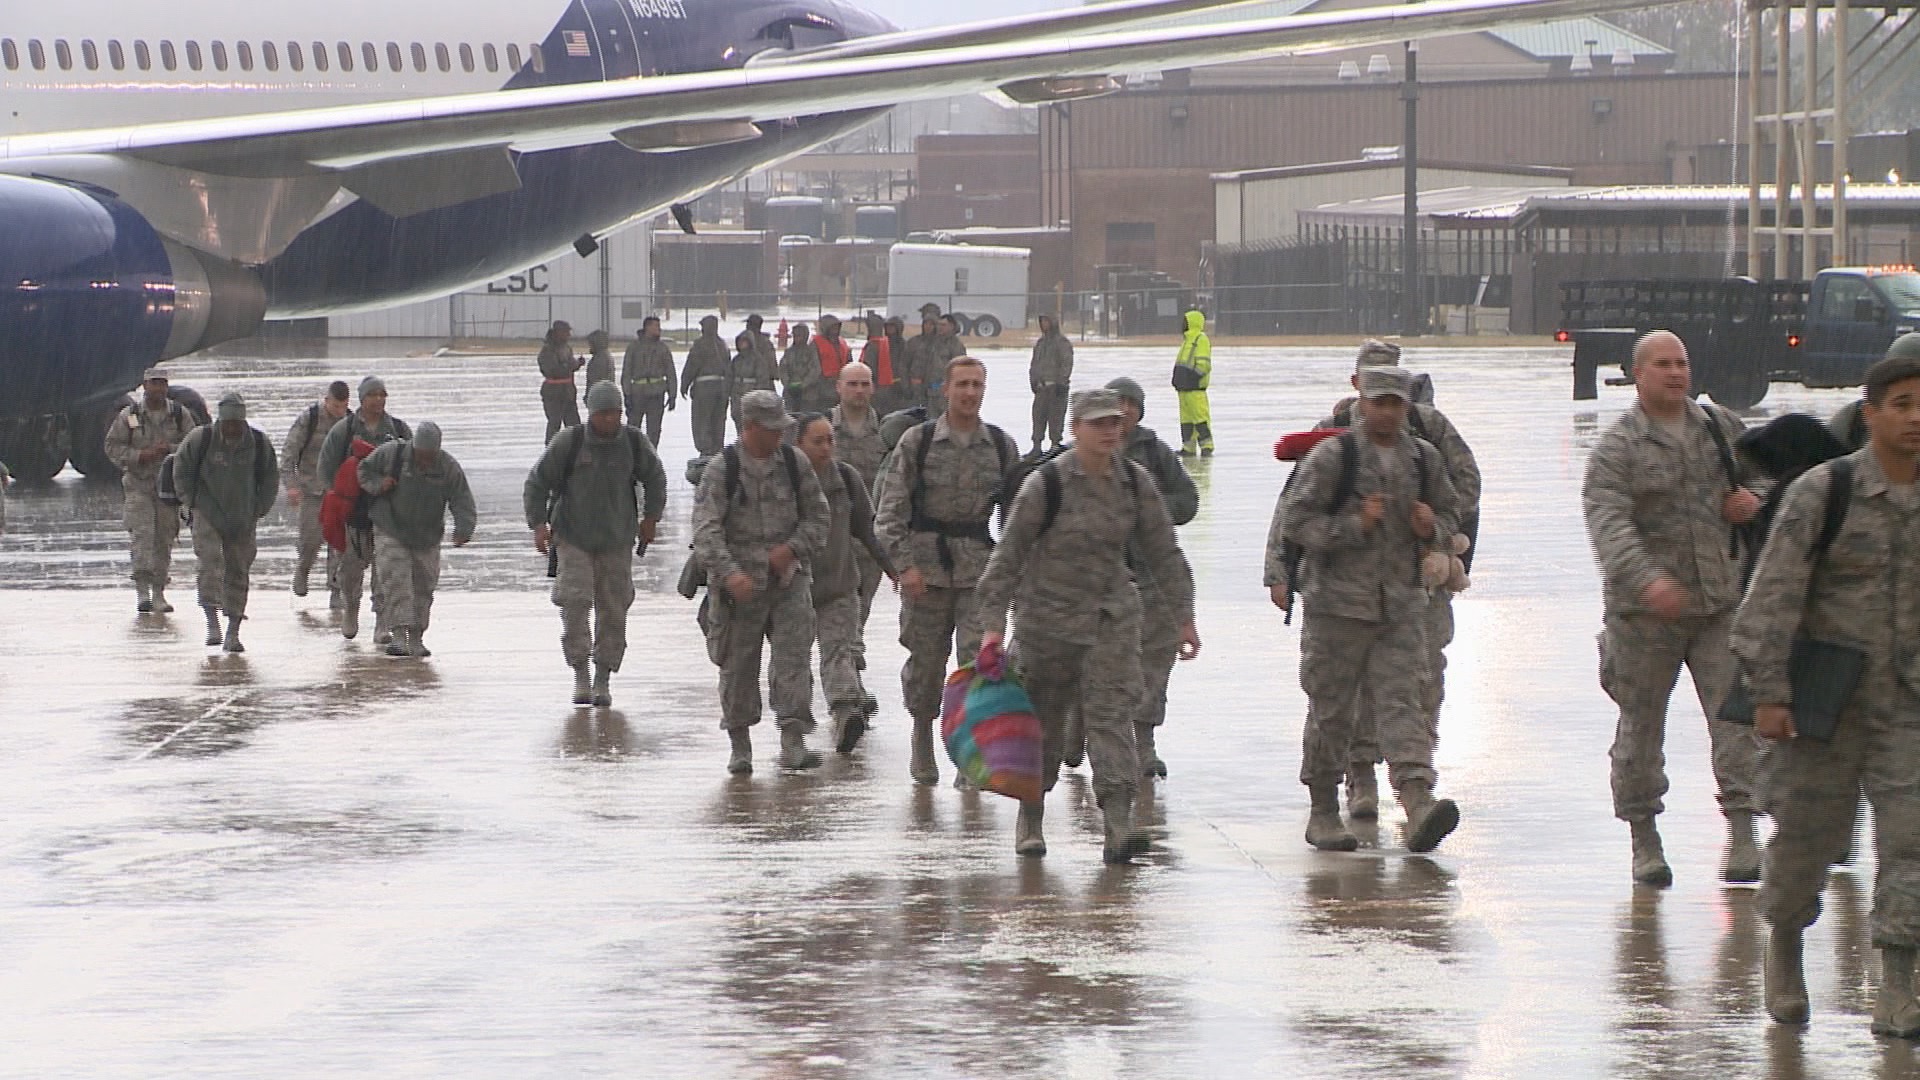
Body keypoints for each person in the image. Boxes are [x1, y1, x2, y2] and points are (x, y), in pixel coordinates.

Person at [1733, 352, 1920, 1037]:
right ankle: (1784, 946)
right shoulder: (1825, 490)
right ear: (1870, 414)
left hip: (1909, 706)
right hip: (1824, 706)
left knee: (1912, 843)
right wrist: (1769, 694)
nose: (1916, 418)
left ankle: (1897, 982)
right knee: (1806, 843)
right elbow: (1772, 595)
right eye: (1902, 404)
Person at [974, 388, 1200, 863]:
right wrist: (993, 628)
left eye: (1115, 422)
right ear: (1075, 428)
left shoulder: (1134, 482)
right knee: (1044, 723)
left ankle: (1118, 824)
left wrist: (1184, 617)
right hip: (1047, 621)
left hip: (1111, 619)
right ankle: (1031, 814)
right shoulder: (1046, 485)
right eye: (1098, 423)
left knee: (1112, 717)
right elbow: (1008, 557)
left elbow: (1165, 553)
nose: (1109, 431)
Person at [1582, 330, 1762, 886]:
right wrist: (1648, 581)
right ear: (1637, 374)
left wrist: (1755, 500)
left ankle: (1743, 832)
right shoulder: (1618, 448)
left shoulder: (1720, 427)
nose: (1676, 372)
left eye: (1682, 362)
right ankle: (1645, 838)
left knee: (1737, 722)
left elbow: (1771, 475)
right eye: (1663, 364)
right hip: (1646, 617)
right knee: (1641, 729)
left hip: (1718, 604)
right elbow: (1609, 526)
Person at [1278, 366, 1461, 854]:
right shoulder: (1333, 457)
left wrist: (1432, 527)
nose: (1387, 411)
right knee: (1332, 710)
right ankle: (1323, 809)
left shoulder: (1423, 459)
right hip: (1337, 607)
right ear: (1362, 403)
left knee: (1404, 704)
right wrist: (1354, 525)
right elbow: (1296, 521)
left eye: (1396, 403)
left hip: (1400, 606)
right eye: (1379, 402)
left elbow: (1452, 513)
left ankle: (1418, 801)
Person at [1321, 340, 1482, 819]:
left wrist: (1437, 533)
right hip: (1349, 584)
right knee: (1355, 687)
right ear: (1357, 383)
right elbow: (1296, 507)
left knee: (1422, 676)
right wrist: (1281, 572)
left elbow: (1466, 486)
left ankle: (1416, 781)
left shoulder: (1430, 432)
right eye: (1374, 380)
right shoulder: (1333, 436)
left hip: (1417, 579)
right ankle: (1361, 774)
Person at [874, 356, 1019, 785]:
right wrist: (905, 567)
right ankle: (922, 734)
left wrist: (1009, 575)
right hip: (926, 574)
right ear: (946, 389)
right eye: (962, 385)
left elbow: (1016, 519)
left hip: (979, 574)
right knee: (925, 665)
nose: (970, 393)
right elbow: (889, 514)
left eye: (977, 385)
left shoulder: (1001, 446)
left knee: (977, 665)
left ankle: (969, 753)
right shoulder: (917, 443)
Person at [691, 389, 831, 774]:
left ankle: (793, 740)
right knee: (737, 667)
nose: (779, 435)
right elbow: (705, 532)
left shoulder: (794, 463)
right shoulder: (722, 470)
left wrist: (793, 548)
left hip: (788, 583)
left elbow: (819, 518)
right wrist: (730, 573)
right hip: (739, 591)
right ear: (750, 427)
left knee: (794, 660)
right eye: (771, 429)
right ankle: (740, 745)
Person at [524, 381, 667, 706]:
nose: (610, 419)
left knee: (614, 609)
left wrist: (651, 518)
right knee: (574, 603)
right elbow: (537, 483)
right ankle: (580, 672)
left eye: (616, 413)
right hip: (573, 537)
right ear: (592, 413)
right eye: (604, 414)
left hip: (617, 538)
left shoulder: (633, 442)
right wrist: (538, 525)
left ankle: (603, 676)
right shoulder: (570, 442)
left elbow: (656, 478)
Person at [1107, 376, 1199, 777]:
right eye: (1119, 402)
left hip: (1151, 572)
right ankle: (1082, 732)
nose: (1125, 410)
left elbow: (1188, 501)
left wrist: (1151, 508)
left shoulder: (1155, 453)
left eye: (1133, 403)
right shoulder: (1084, 453)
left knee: (1153, 667)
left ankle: (1143, 745)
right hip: (1100, 576)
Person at [795, 412, 895, 753]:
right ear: (799, 444)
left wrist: (894, 569)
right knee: (792, 663)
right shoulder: (785, 481)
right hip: (794, 592)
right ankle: (793, 732)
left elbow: (867, 528)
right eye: (817, 442)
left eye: (830, 441)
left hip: (839, 586)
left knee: (839, 651)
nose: (826, 448)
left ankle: (845, 714)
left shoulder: (846, 479)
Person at [358, 421, 476, 659]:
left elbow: (462, 499)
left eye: (429, 455)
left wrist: (464, 528)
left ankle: (417, 636)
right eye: (420, 454)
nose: (424, 459)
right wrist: (379, 484)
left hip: (427, 534)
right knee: (396, 581)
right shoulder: (391, 454)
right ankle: (398, 636)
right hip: (390, 527)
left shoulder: (448, 467)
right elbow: (363, 471)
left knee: (424, 585)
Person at [173, 393, 279, 653]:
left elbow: (269, 478)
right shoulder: (201, 439)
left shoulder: (258, 443)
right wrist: (191, 502)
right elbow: (181, 471)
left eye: (237, 423)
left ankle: (233, 630)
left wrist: (259, 509)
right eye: (228, 422)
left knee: (239, 569)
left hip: (243, 515)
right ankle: (212, 620)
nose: (232, 428)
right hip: (207, 511)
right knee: (210, 562)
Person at [318, 376, 413, 643]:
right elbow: (326, 468)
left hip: (387, 510)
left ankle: (382, 621)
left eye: (383, 394)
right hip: (354, 511)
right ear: (362, 398)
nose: (379, 400)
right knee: (350, 567)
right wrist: (339, 498)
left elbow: (412, 465)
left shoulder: (398, 430)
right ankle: (351, 607)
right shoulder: (344, 430)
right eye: (373, 395)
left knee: (386, 568)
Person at [103, 367, 197, 614]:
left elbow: (194, 445)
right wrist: (139, 456)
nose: (158, 388)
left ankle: (159, 592)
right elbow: (112, 446)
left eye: (162, 383)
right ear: (145, 386)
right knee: (142, 537)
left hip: (168, 489)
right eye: (153, 383)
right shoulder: (130, 416)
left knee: (164, 540)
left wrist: (171, 450)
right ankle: (142, 592)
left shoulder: (179, 415)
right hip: (139, 485)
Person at [281, 380, 352, 606]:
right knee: (311, 540)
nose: (339, 411)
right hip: (312, 489)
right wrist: (291, 486)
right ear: (327, 400)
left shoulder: (351, 423)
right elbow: (289, 454)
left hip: (340, 492)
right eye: (336, 406)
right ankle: (303, 569)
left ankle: (336, 589)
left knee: (340, 543)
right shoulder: (309, 419)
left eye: (343, 406)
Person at [620, 316, 677, 450]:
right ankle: (633, 455)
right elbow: (626, 372)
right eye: (656, 326)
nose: (659, 329)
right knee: (633, 428)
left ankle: (651, 454)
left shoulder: (662, 348)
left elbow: (670, 372)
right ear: (647, 327)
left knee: (654, 430)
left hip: (656, 394)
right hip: (637, 394)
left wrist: (672, 395)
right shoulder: (634, 347)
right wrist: (627, 394)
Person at [681, 314, 731, 456]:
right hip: (722, 388)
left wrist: (684, 384)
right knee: (718, 421)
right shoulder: (723, 345)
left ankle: (706, 450)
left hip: (704, 389)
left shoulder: (700, 345)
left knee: (702, 421)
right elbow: (729, 368)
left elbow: (692, 366)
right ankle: (717, 449)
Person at [1028, 315, 1074, 456]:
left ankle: (1055, 445)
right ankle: (1036, 446)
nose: (1044, 324)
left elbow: (1066, 363)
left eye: (1046, 321)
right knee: (1038, 417)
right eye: (1042, 322)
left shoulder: (1062, 343)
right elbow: (1034, 364)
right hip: (1041, 388)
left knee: (1056, 418)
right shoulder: (1041, 343)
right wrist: (1033, 380)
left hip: (1056, 388)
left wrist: (1062, 382)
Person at [1173, 309, 1215, 457]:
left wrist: (1194, 377)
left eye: (1185, 322)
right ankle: (1188, 447)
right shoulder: (1187, 341)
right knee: (1186, 421)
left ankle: (1207, 446)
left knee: (1200, 418)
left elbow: (1204, 363)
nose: (1182, 325)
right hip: (1184, 389)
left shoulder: (1200, 339)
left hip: (1195, 388)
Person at [538, 320, 585, 443]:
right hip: (553, 393)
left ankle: (577, 449)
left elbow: (569, 366)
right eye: (566, 332)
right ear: (557, 333)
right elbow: (552, 370)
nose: (568, 335)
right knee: (554, 424)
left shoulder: (567, 348)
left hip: (568, 392)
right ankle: (551, 450)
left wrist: (578, 364)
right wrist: (571, 366)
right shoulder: (547, 350)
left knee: (574, 424)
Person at [729, 329, 777, 437]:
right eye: (740, 342)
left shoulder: (758, 359)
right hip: (737, 395)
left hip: (751, 395)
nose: (742, 344)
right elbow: (729, 376)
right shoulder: (736, 360)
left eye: (744, 341)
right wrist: (728, 392)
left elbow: (762, 379)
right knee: (738, 419)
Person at [901, 314, 944, 415]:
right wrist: (906, 385)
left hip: (935, 390)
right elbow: (904, 365)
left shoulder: (942, 344)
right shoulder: (914, 342)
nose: (928, 326)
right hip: (915, 389)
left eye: (931, 324)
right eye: (926, 324)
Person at [779, 323, 824, 412]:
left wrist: (803, 385)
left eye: (799, 335)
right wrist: (787, 383)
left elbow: (815, 370)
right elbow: (782, 369)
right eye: (795, 336)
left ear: (805, 336)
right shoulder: (789, 352)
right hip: (790, 393)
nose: (797, 338)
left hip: (808, 394)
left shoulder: (811, 352)